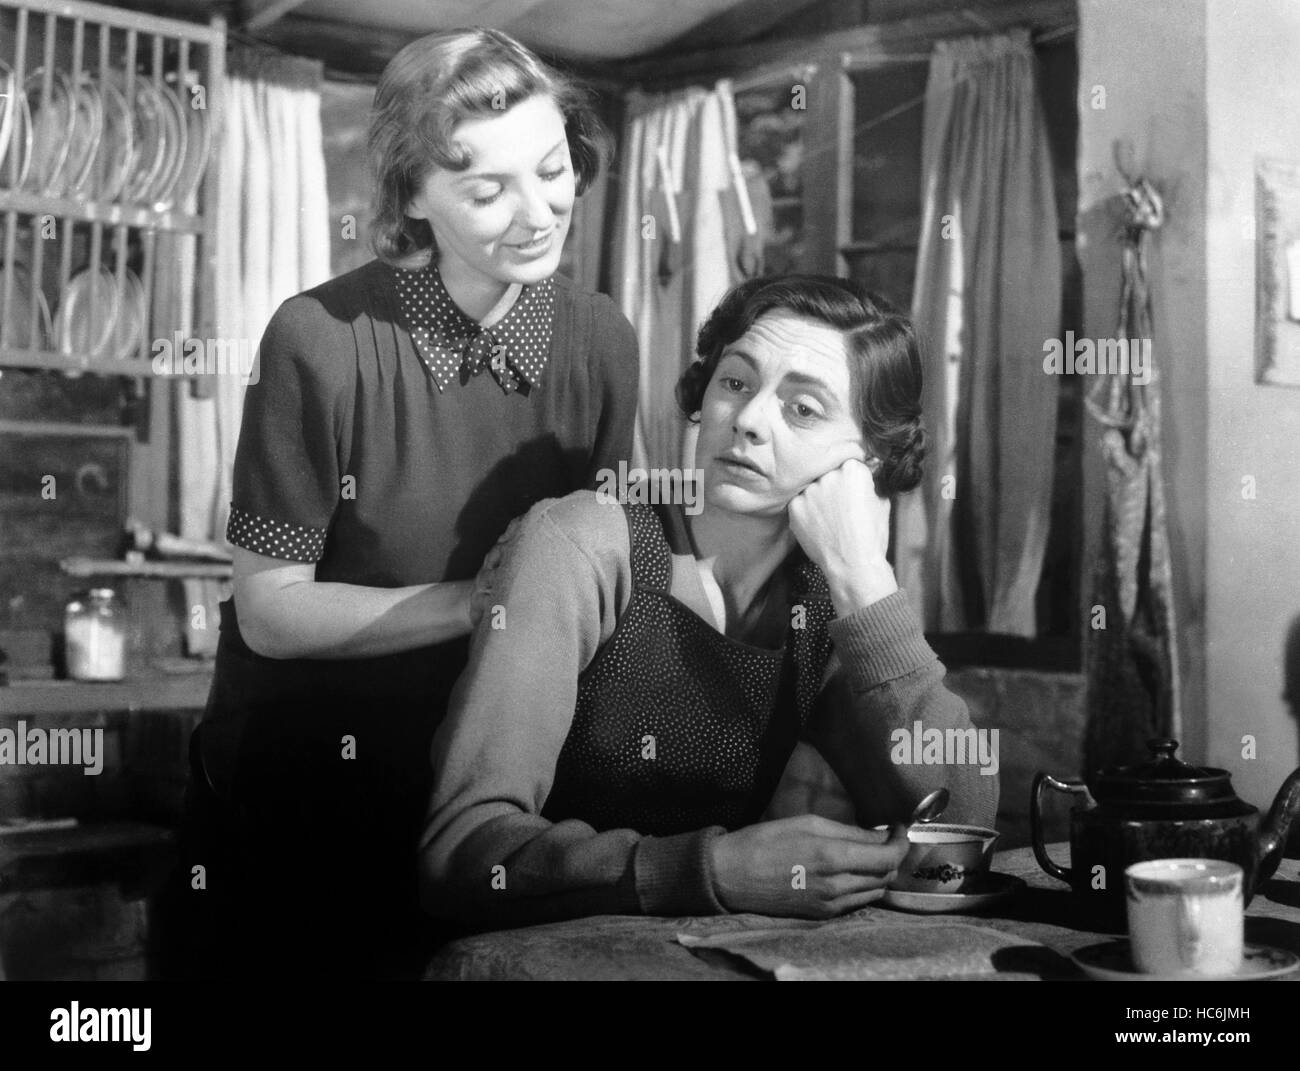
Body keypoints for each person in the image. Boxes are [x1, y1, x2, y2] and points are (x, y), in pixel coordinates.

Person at [172, 28, 638, 979]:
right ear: (411, 197)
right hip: (305, 791)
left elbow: (606, 565)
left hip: (493, 787)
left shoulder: (599, 338)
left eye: (553, 169)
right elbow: (269, 609)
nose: (538, 211)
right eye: (486, 189)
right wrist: (500, 604)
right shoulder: (321, 338)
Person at [420, 275, 998, 928]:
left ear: (867, 457)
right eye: (735, 383)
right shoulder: (583, 543)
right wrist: (711, 868)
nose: (748, 420)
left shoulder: (834, 592)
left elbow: (964, 825)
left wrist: (865, 577)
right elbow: (461, 852)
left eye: (802, 408)